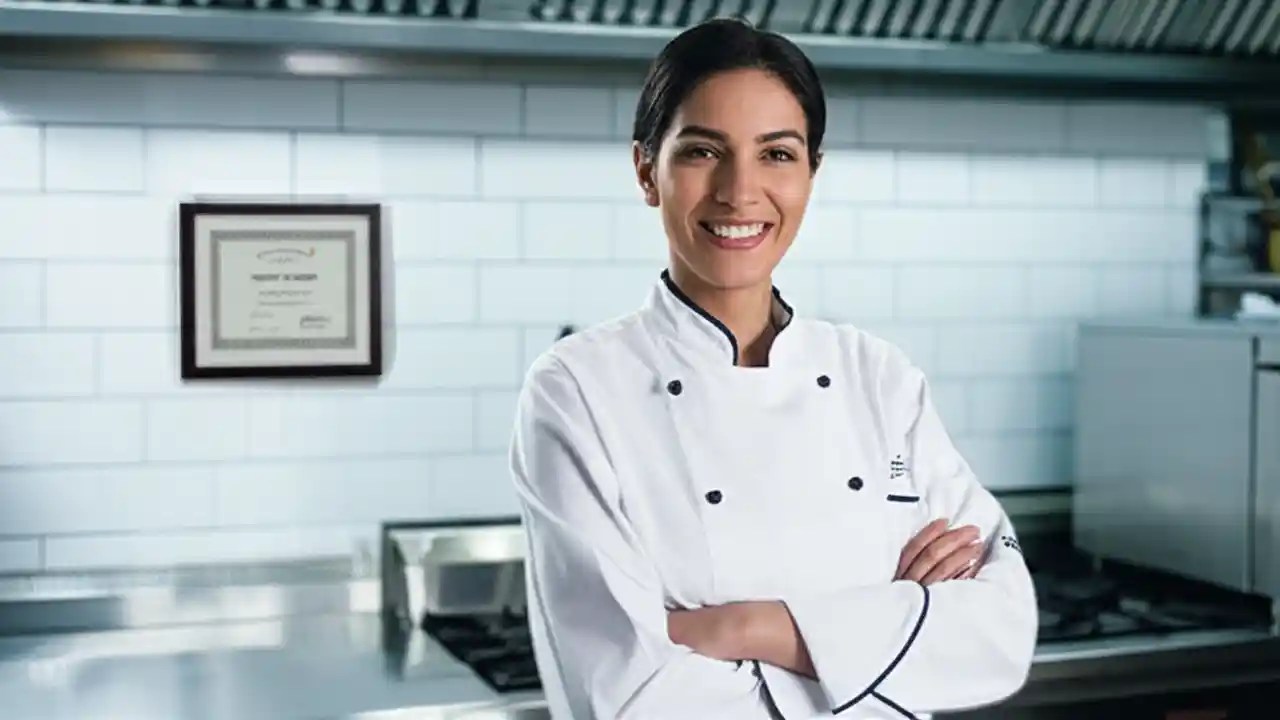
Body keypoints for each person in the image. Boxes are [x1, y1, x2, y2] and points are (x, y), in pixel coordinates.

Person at [508, 17, 1037, 720]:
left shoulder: (878, 378)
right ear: (646, 171)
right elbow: (631, 696)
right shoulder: (578, 389)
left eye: (777, 155)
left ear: (812, 173)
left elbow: (999, 632)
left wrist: (746, 627)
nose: (740, 191)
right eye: (702, 151)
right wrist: (880, 633)